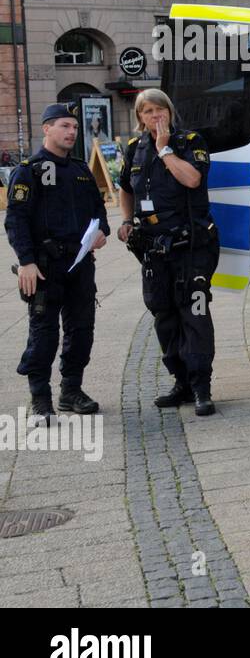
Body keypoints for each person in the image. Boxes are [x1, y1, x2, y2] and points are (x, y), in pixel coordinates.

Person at [117, 89, 220, 416]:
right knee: (163, 314)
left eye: (159, 109)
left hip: (191, 246)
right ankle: (181, 383)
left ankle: (202, 387)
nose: (154, 115)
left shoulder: (191, 141)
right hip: (153, 247)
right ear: (139, 118)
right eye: (147, 111)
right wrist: (126, 220)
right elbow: (125, 187)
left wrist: (165, 152)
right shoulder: (134, 148)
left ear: (170, 111)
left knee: (195, 314)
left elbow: (192, 180)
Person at [5, 103, 109, 422]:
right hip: (44, 267)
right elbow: (16, 220)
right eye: (64, 126)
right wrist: (26, 262)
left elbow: (99, 212)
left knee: (81, 329)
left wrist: (102, 232)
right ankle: (40, 398)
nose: (71, 132)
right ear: (47, 128)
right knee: (44, 333)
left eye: (74, 127)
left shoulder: (80, 170)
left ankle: (71, 390)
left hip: (79, 264)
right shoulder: (29, 170)